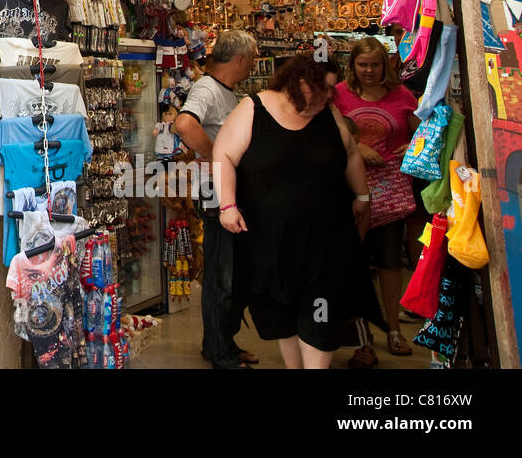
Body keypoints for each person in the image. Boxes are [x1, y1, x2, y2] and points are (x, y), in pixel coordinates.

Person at [213, 55, 384, 369]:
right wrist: (227, 205)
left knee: (320, 313)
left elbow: (349, 153)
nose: (332, 96)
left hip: (325, 244)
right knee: (282, 314)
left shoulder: (328, 113)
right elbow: (223, 153)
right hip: (271, 244)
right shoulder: (255, 108)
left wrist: (362, 196)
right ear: (301, 83)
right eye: (326, 88)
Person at [173, 29, 259, 370]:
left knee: (233, 276)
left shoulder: (225, 92)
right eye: (251, 60)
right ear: (239, 59)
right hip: (214, 195)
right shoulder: (207, 88)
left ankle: (224, 342)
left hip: (225, 194)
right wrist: (214, 156)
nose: (252, 66)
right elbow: (184, 124)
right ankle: (219, 351)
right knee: (221, 277)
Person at [333, 37, 420, 365]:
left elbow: (424, 133)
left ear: (386, 65)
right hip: (351, 193)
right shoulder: (339, 94)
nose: (368, 71)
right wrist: (355, 147)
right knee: (355, 265)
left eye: (375, 64)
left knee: (389, 262)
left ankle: (394, 329)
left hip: (392, 190)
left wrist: (412, 147)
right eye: (362, 65)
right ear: (352, 65)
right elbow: (328, 133)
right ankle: (362, 339)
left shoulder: (402, 96)